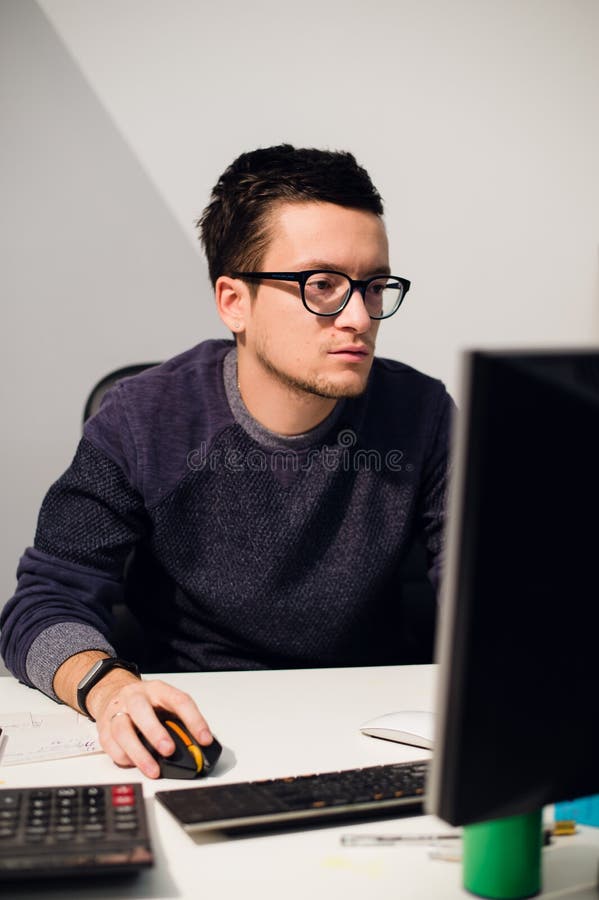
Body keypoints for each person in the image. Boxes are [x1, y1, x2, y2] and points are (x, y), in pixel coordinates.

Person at [0, 145, 453, 778]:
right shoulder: (142, 420)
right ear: (233, 300)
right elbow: (43, 604)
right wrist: (110, 690)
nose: (359, 316)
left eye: (374, 286)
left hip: (373, 732)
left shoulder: (423, 413)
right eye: (322, 286)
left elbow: (485, 592)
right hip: (200, 727)